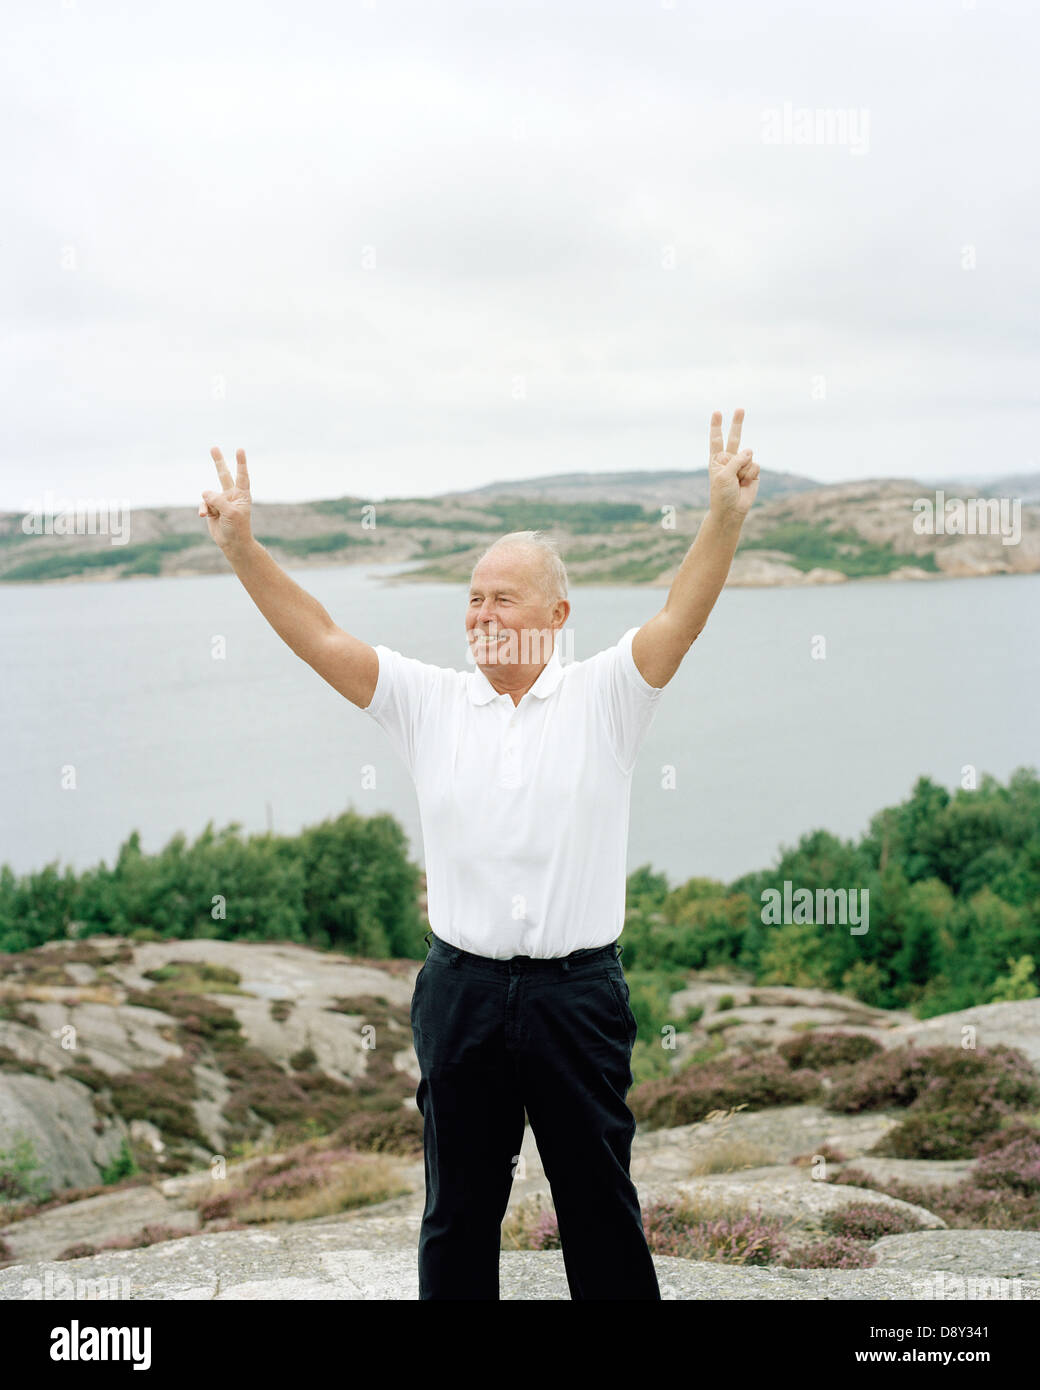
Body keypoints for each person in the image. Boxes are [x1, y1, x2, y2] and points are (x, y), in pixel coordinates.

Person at [199, 409, 760, 1300]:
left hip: (577, 998)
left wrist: (723, 517)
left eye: (504, 596)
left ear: (557, 613)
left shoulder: (606, 696)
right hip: (458, 994)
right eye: (472, 597)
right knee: (457, 1216)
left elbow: (679, 617)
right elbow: (322, 635)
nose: (483, 613)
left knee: (598, 1210)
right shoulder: (429, 703)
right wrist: (242, 551)